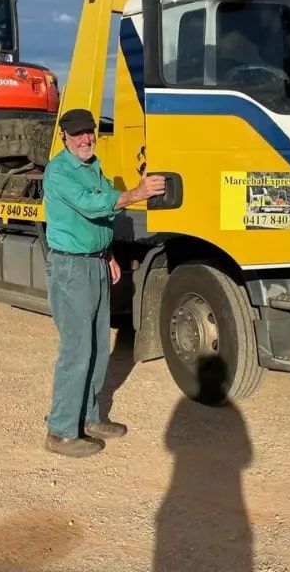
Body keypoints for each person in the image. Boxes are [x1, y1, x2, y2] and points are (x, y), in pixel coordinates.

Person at [42, 108, 166, 458]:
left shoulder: (93, 165)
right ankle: (61, 431)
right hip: (71, 269)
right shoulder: (60, 171)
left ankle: (90, 418)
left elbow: (100, 222)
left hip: (94, 263)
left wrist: (108, 254)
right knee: (77, 350)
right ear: (65, 136)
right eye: (79, 134)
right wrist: (136, 193)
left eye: (90, 133)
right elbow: (92, 205)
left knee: (97, 348)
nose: (86, 139)